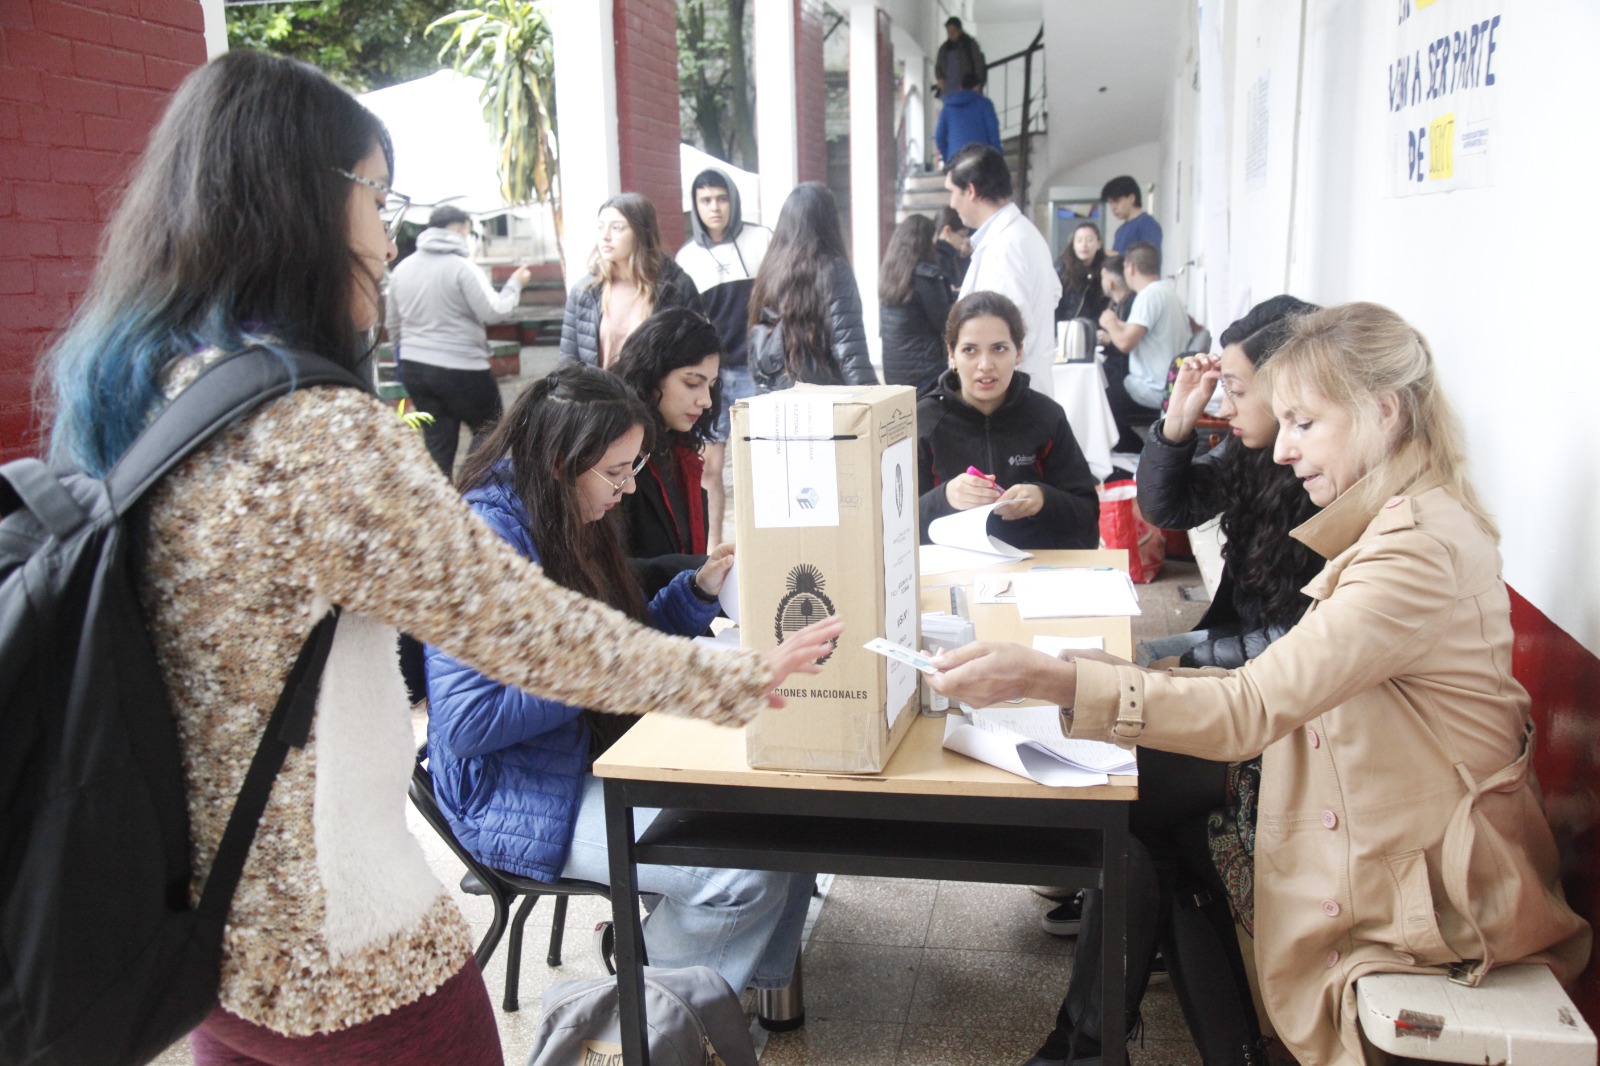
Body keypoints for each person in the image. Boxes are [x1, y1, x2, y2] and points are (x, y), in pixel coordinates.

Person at [40, 50, 842, 1065]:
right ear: (308, 205)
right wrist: (732, 676)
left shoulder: (141, 395)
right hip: (346, 938)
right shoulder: (313, 432)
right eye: (377, 194)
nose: (388, 233)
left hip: (202, 933)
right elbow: (526, 632)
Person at [931, 302, 1592, 1066]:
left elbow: (1252, 705)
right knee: (1153, 824)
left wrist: (1056, 678)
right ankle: (1113, 1045)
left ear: (1381, 411)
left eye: (1305, 424)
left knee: (1147, 811)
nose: (1283, 449)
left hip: (1427, 870)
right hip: (1375, 803)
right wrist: (1108, 677)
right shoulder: (1397, 521)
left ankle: (1106, 1045)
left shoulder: (1414, 553)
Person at [423, 364, 816, 1000]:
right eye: (616, 471)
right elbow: (471, 724)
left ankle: (720, 993)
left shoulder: (567, 510)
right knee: (739, 872)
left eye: (633, 468)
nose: (629, 488)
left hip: (583, 757)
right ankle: (642, 1015)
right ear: (559, 460)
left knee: (786, 812)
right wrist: (614, 676)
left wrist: (695, 592)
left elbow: (618, 639)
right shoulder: (483, 538)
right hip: (515, 794)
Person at [1031, 296, 1325, 1066]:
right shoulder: (1262, 454)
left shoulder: (1332, 482)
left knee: (1133, 798)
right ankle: (1099, 1043)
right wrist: (1176, 419)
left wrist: (1182, 662)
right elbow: (1163, 506)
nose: (1227, 399)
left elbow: (1297, 650)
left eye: (1236, 385)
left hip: (1288, 712)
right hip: (1253, 671)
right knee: (1150, 826)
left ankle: (1088, 1041)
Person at [917, 291, 1098, 551]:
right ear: (952, 355)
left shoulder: (1046, 416)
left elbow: (1088, 517)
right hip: (949, 569)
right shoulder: (923, 421)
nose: (985, 365)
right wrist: (944, 497)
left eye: (999, 349)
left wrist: (1043, 499)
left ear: (1019, 352)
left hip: (1033, 566)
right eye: (970, 350)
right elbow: (889, 527)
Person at [385, 204, 533, 474]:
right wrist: (515, 284)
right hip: (463, 368)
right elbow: (495, 311)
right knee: (492, 430)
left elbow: (393, 324)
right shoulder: (462, 267)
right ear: (458, 229)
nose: (467, 238)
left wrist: (403, 360)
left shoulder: (402, 269)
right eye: (466, 232)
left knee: (437, 443)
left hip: (415, 367)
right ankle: (471, 488)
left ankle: (442, 504)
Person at [674, 168, 771, 550]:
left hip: (754, 370)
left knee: (759, 464)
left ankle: (760, 540)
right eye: (706, 200)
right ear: (696, 206)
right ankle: (713, 547)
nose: (714, 207)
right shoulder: (688, 257)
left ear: (733, 199)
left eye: (721, 198)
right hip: (711, 378)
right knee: (709, 468)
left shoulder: (760, 240)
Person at [609, 308, 720, 594]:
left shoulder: (680, 452)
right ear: (652, 375)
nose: (706, 400)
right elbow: (604, 566)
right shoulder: (616, 456)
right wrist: (699, 571)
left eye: (711, 385)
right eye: (692, 383)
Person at [946, 143, 1063, 399]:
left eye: (953, 192)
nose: (952, 203)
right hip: (1016, 393)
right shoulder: (1022, 234)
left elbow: (1006, 330)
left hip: (1007, 398)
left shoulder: (1006, 246)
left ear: (971, 191)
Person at [747, 181, 877, 390]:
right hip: (822, 401)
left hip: (780, 398)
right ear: (829, 220)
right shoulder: (833, 269)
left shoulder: (769, 270)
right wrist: (876, 402)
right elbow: (850, 350)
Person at [559, 192, 700, 368]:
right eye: (601, 227)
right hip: (601, 394)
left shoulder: (676, 287)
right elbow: (567, 363)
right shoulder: (584, 291)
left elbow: (696, 356)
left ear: (642, 232)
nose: (605, 236)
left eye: (617, 227)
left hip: (653, 395)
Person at [1099, 241, 1190, 450]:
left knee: (1099, 398)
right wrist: (1118, 325)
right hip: (1166, 381)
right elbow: (1138, 329)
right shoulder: (1166, 291)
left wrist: (1110, 323)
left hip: (1153, 387)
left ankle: (1132, 452)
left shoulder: (1149, 295)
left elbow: (1124, 343)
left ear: (1130, 267)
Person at [878, 214, 953, 389]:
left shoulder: (889, 275)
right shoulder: (925, 276)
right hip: (925, 373)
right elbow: (946, 322)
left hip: (893, 371)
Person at [936, 71, 1001, 163]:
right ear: (978, 87)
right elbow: (993, 134)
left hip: (956, 160)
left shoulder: (948, 107)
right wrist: (997, 158)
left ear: (961, 88)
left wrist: (948, 158)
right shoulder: (985, 104)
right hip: (980, 160)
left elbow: (939, 137)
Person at [1054, 221, 1109, 324]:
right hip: (1064, 328)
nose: (1084, 245)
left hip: (1093, 330)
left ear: (1098, 244)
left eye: (1089, 240)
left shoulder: (1106, 270)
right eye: (1079, 240)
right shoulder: (1061, 268)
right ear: (1073, 245)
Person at [1101, 175, 1162, 254]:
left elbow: (1151, 260)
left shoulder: (1147, 224)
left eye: (1117, 201)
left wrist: (1117, 257)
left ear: (1131, 198)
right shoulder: (1120, 230)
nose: (1113, 207)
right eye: (1110, 203)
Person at [934, 16, 987, 97]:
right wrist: (940, 78)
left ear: (960, 30)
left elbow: (979, 64)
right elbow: (938, 67)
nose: (951, 34)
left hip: (968, 88)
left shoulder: (970, 44)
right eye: (949, 31)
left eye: (953, 30)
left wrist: (978, 84)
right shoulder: (944, 49)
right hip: (949, 90)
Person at [933, 206, 972, 297]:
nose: (964, 240)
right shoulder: (940, 257)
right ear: (948, 230)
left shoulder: (949, 254)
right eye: (962, 235)